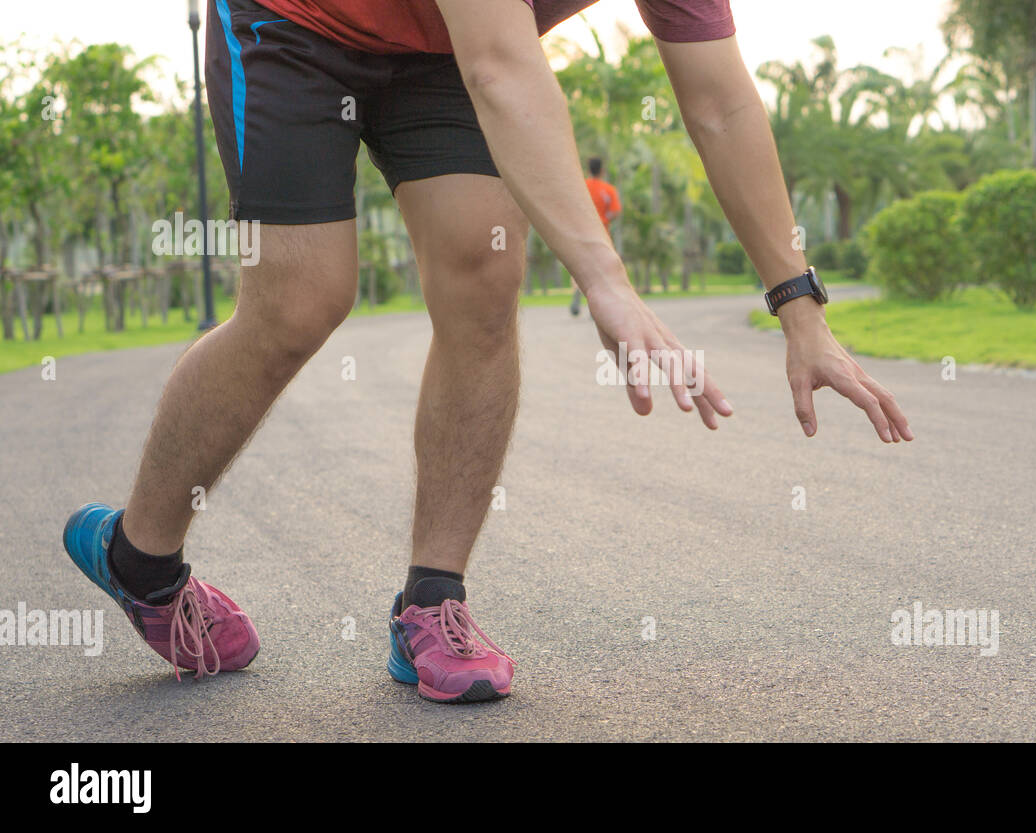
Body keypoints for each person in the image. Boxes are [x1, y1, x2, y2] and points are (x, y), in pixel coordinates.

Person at [62, 0, 913, 704]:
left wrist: (800, 309)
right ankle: (141, 559)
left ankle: (432, 600)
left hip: (446, 46)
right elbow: (502, 68)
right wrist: (606, 284)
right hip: (298, 24)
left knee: (483, 272)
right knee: (300, 299)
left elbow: (721, 103)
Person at [570, 156, 621, 316]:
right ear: (602, 170)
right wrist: (604, 218)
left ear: (588, 169)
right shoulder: (608, 189)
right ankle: (596, 307)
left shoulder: (581, 187)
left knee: (579, 268)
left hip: (582, 233)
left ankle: (577, 295)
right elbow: (615, 211)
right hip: (602, 234)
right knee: (600, 271)